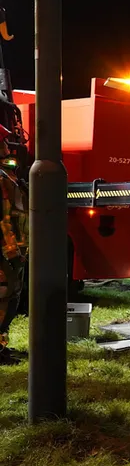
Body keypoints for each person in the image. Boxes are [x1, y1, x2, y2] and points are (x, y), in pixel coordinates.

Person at [0, 124, 27, 365]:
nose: (9, 148)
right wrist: (11, 250)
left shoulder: (6, 175)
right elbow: (3, 218)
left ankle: (2, 347)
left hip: (13, 251)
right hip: (5, 253)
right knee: (3, 297)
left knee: (10, 299)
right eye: (5, 143)